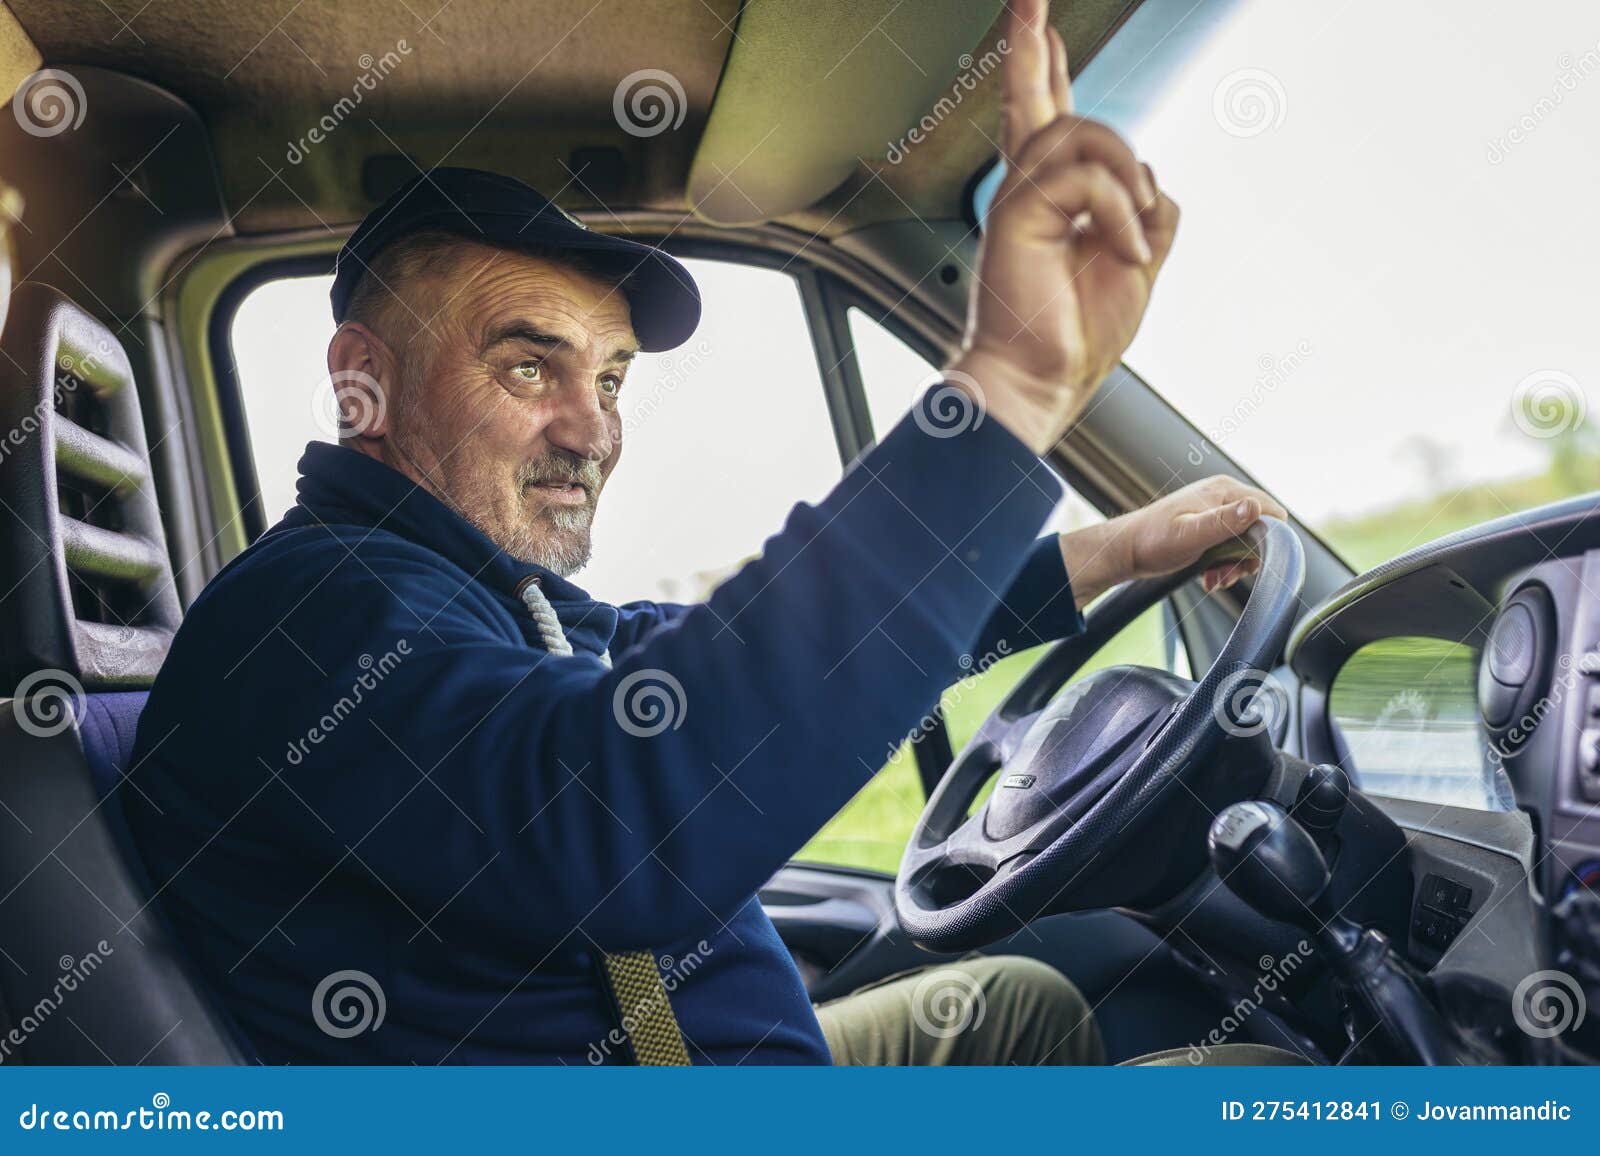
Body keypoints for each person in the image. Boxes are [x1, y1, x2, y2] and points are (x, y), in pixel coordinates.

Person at [127, 0, 1288, 1065]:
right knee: (1254, 1082)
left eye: (613, 380)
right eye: (529, 363)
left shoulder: (478, 596)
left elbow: (710, 662)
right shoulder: (310, 618)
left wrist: (1115, 554)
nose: (591, 430)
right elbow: (620, 818)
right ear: (364, 382)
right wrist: (1014, 383)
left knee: (1017, 1004)